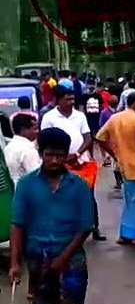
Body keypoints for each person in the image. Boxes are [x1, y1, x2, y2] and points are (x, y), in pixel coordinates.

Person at [8, 127, 96, 304]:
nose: (55, 161)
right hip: (39, 259)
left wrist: (64, 258)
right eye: (49, 155)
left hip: (72, 261)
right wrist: (15, 262)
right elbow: (17, 224)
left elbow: (85, 227)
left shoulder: (79, 186)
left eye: (60, 155)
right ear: (41, 153)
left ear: (66, 155)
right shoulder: (26, 186)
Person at [95, 91, 135, 248]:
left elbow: (99, 137)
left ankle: (125, 234)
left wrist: (115, 154)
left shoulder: (115, 118)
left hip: (124, 166)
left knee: (131, 202)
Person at [42, 85, 105, 241]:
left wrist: (77, 154)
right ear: (57, 100)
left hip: (82, 161)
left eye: (72, 98)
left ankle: (94, 227)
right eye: (67, 98)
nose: (71, 101)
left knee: (88, 194)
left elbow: (88, 138)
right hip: (59, 163)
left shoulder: (80, 116)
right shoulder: (49, 117)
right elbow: (44, 140)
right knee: (61, 195)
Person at [4, 114, 41, 182]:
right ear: (23, 130)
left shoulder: (8, 147)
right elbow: (36, 174)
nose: (38, 131)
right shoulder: (27, 149)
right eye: (35, 129)